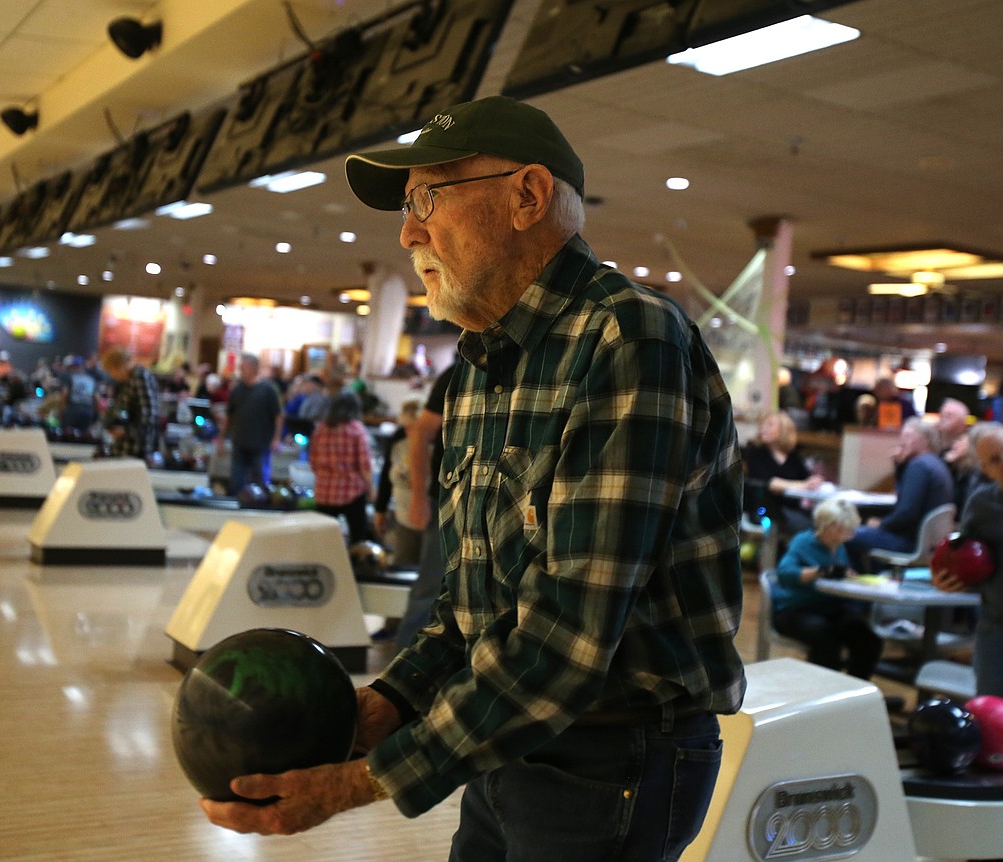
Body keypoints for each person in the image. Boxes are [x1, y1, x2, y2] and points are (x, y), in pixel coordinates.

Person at [199, 95, 746, 860]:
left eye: (428, 197)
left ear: (526, 197)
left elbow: (568, 638)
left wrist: (360, 785)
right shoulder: (481, 363)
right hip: (508, 734)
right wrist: (387, 705)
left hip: (613, 759)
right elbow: (469, 607)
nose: (407, 230)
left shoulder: (628, 336)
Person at [772, 497, 883, 679]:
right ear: (826, 525)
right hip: (795, 610)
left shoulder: (839, 548)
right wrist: (819, 571)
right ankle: (825, 688)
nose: (846, 532)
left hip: (829, 609)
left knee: (867, 639)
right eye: (840, 527)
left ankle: (855, 688)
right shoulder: (803, 541)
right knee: (827, 637)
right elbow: (785, 573)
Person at [931, 421, 1003, 697]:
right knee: (990, 713)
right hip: (996, 627)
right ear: (985, 469)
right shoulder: (981, 505)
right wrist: (944, 579)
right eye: (995, 460)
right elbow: (963, 560)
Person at [390, 360, 457, 656]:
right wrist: (419, 496)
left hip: (485, 500)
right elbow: (421, 432)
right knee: (428, 588)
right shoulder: (457, 372)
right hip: (446, 500)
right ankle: (400, 667)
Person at [846, 417, 954, 572]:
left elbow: (907, 513)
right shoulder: (936, 464)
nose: (902, 441)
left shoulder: (919, 466)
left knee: (849, 535)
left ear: (925, 440)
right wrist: (901, 467)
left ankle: (862, 588)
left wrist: (881, 524)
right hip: (928, 543)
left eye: (908, 436)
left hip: (910, 542)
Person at [741, 410, 824, 535]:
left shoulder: (793, 457)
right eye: (762, 425)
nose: (763, 429)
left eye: (769, 425)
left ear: (783, 430)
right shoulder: (755, 453)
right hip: (767, 510)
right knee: (815, 529)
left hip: (793, 509)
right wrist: (805, 485)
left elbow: (807, 478)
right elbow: (772, 483)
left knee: (824, 521)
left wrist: (814, 481)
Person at [309, 390, 375, 545]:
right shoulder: (356, 430)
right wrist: (371, 489)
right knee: (358, 537)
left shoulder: (320, 429)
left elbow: (313, 462)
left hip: (324, 492)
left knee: (322, 539)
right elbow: (365, 466)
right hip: (352, 492)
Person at [218, 353, 283, 492]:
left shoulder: (268, 390)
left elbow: (278, 415)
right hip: (240, 442)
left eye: (243, 367)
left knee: (260, 481)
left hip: (261, 443)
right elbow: (229, 416)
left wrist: (276, 439)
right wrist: (221, 438)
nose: (241, 370)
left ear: (254, 368)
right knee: (237, 481)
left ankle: (259, 507)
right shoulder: (237, 390)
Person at [373, 398, 425, 567]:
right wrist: (380, 509)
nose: (411, 433)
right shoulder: (398, 439)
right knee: (403, 565)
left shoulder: (435, 442)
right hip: (403, 516)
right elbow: (386, 476)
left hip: (431, 519)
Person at [100, 347, 160, 461]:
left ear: (119, 366)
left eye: (111, 370)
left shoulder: (140, 378)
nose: (112, 375)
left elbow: (149, 415)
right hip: (124, 447)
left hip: (137, 448)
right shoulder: (126, 382)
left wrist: (125, 431)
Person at [58, 355, 97, 432]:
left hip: (72, 409)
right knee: (83, 437)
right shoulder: (91, 379)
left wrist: (61, 409)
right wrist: (94, 414)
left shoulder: (68, 376)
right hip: (87, 410)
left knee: (67, 435)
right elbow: (96, 398)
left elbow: (65, 393)